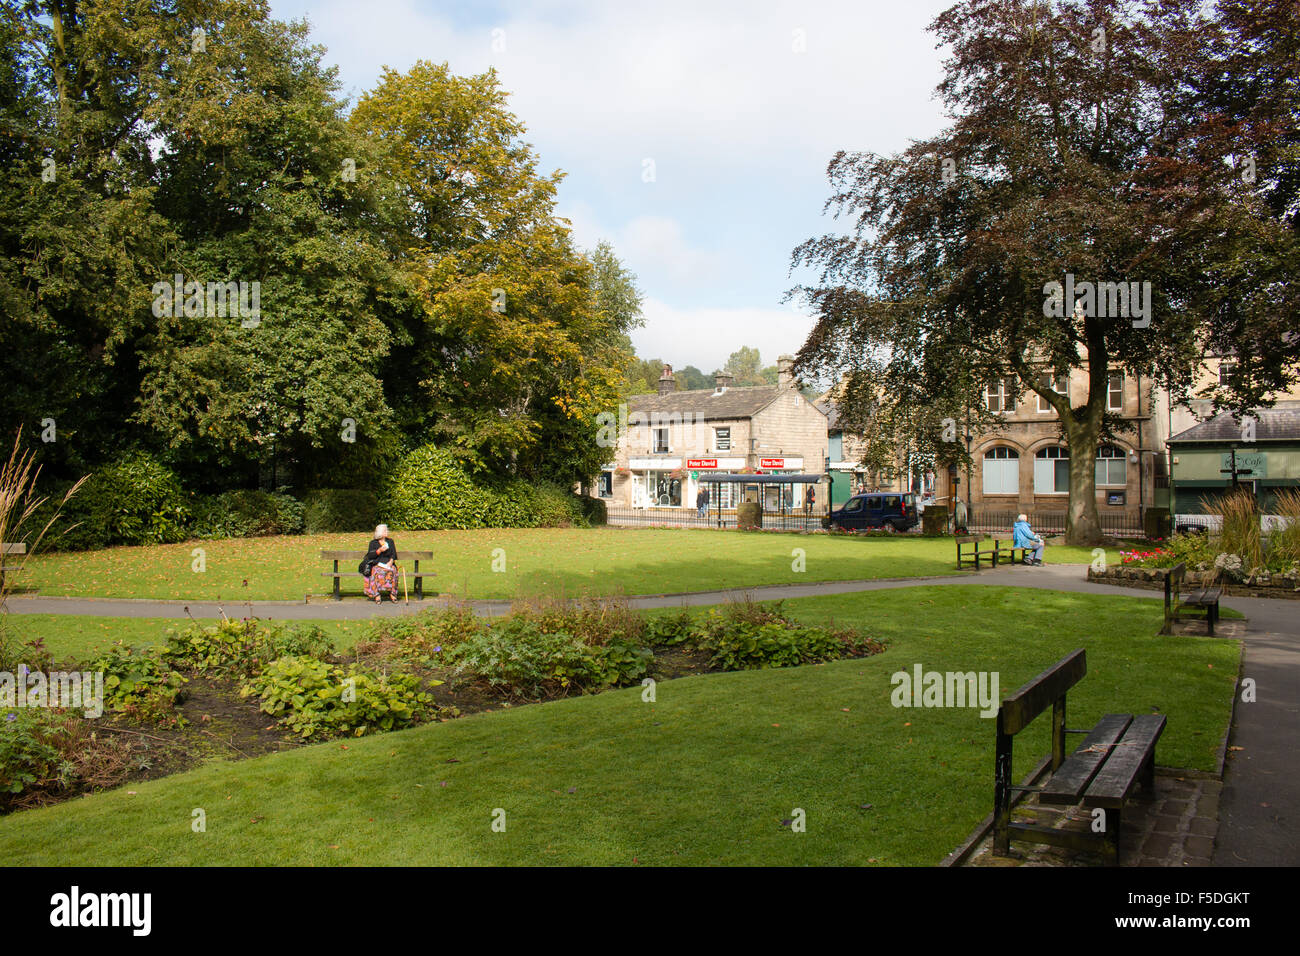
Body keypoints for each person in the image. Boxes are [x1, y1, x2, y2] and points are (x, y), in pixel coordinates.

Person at [362, 523, 400, 602]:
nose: (387, 531)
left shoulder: (390, 541)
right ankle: (376, 595)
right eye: (385, 530)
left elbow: (394, 554)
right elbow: (370, 555)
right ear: (380, 532)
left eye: (387, 530)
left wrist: (391, 561)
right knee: (375, 571)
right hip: (377, 563)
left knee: (393, 570)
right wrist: (379, 550)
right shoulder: (373, 543)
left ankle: (393, 594)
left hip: (388, 563)